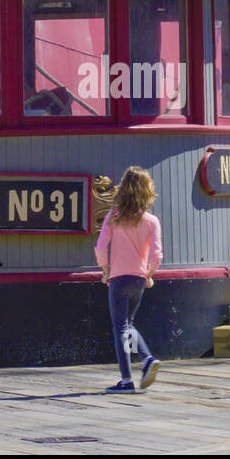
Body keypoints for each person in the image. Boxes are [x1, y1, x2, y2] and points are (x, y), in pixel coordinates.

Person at [94, 166, 163, 393]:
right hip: (138, 279)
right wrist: (149, 276)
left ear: (123, 190)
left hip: (118, 278)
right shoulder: (151, 221)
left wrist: (105, 270)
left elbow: (101, 248)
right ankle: (147, 359)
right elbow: (157, 255)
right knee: (129, 324)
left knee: (120, 327)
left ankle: (126, 379)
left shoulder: (113, 218)